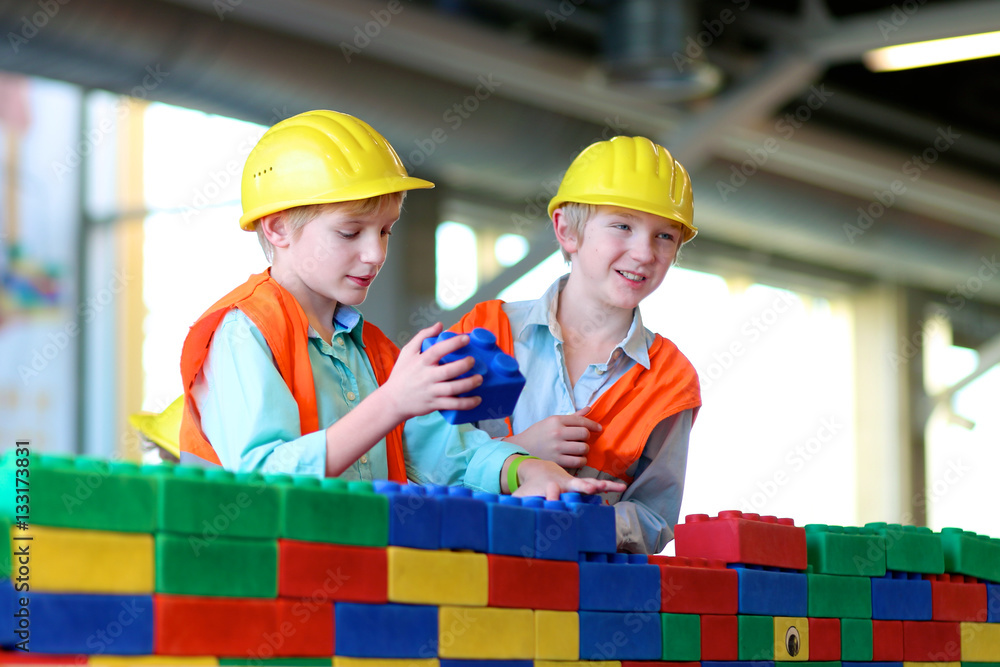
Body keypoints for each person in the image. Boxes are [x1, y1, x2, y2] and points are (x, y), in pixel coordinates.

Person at [179, 110, 624, 500]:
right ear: (277, 229)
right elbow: (259, 481)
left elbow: (447, 454)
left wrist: (523, 468)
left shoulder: (372, 351)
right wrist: (391, 402)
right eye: (350, 232)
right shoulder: (245, 330)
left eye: (385, 231)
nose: (375, 254)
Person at [452, 136, 701, 552]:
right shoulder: (486, 332)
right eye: (622, 226)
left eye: (665, 237)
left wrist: (586, 524)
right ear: (567, 230)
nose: (644, 253)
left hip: (587, 598)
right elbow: (423, 461)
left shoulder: (669, 381)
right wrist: (519, 452)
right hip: (468, 572)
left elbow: (655, 514)